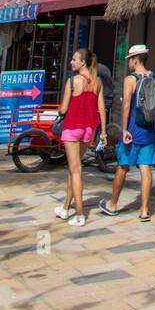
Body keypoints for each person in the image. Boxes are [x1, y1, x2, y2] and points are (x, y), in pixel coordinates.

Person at [99, 44, 155, 222]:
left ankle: (112, 204)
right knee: (145, 168)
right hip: (148, 129)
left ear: (135, 59)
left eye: (130, 60)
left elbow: (125, 106)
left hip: (133, 130)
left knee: (122, 167)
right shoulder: (153, 76)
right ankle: (145, 210)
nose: (129, 63)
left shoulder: (130, 79)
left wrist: (124, 129)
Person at [55, 49, 106, 228]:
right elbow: (101, 109)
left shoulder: (73, 81)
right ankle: (65, 208)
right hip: (88, 129)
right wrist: (104, 132)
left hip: (72, 127)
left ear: (83, 62)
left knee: (75, 170)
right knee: (73, 168)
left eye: (74, 59)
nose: (71, 62)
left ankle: (79, 213)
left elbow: (63, 109)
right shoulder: (97, 82)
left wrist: (59, 111)